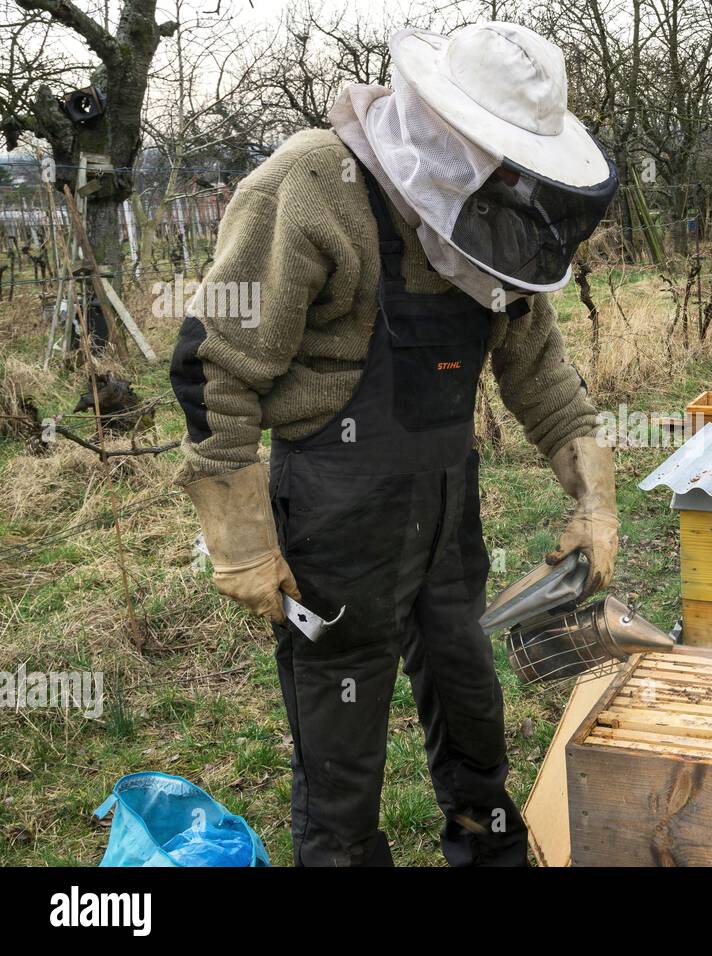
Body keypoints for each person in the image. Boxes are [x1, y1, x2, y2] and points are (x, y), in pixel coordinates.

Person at [169, 22, 620, 867]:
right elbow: (212, 367)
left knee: (470, 698)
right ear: (441, 132)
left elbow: (544, 378)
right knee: (341, 741)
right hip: (337, 515)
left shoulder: (503, 232)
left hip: (448, 505)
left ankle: (488, 850)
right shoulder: (312, 184)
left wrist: (596, 500)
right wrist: (237, 542)